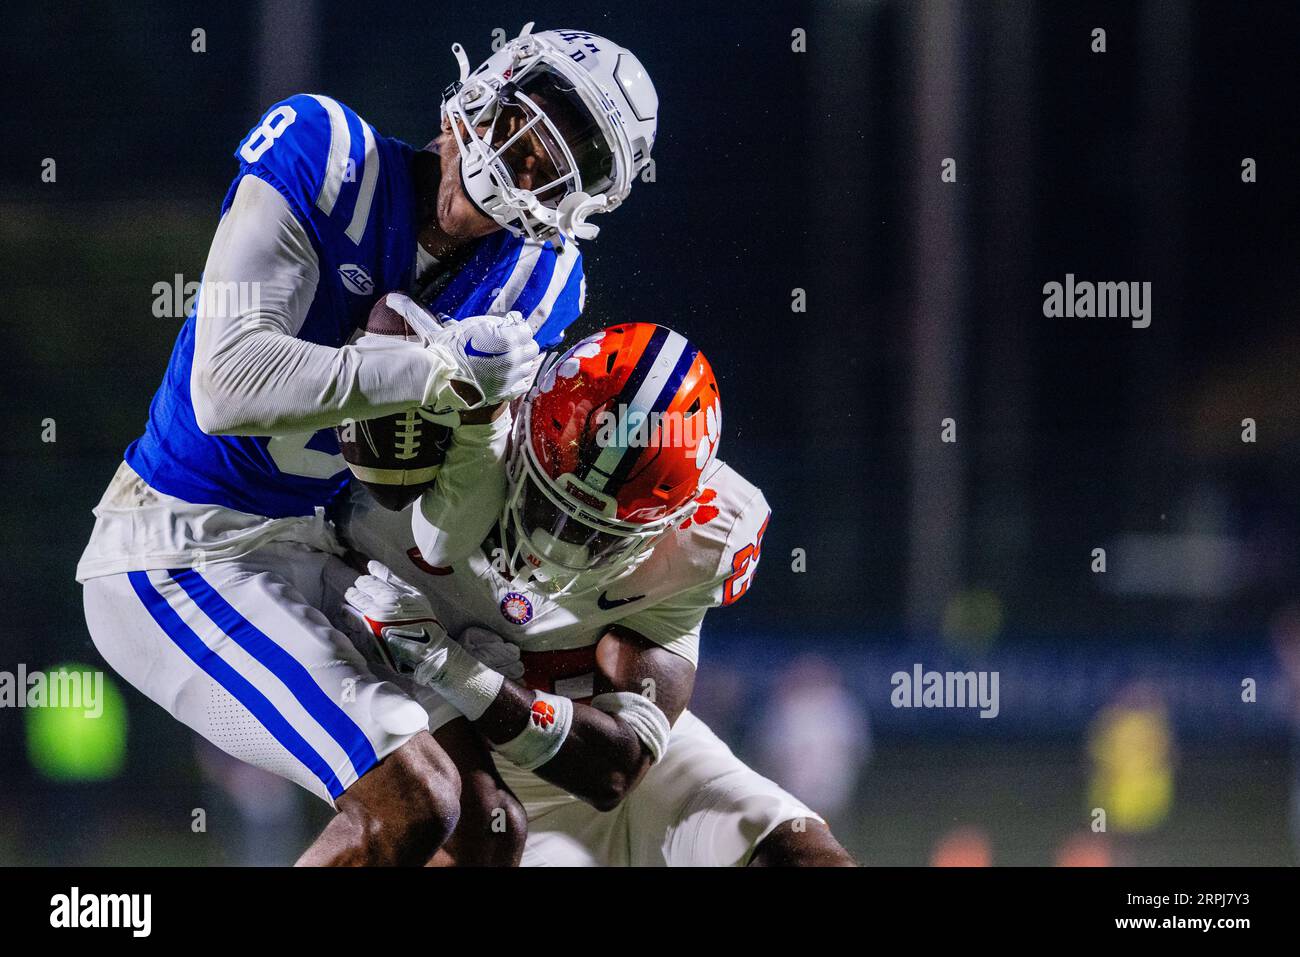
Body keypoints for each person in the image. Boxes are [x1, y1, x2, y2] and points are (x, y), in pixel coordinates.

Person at [76, 25, 658, 865]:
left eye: (563, 162)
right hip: (176, 549)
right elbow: (226, 386)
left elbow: (440, 533)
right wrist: (431, 370)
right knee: (415, 796)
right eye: (530, 128)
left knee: (493, 830)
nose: (527, 166)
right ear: (490, 88)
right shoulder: (326, 151)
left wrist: (481, 428)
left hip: (313, 547)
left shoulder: (537, 282)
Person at [340, 324, 856, 865]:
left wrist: (456, 669)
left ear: (677, 514)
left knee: (802, 852)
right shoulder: (438, 440)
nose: (558, 542)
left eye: (599, 533)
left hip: (616, 768)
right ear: (524, 426)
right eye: (548, 503)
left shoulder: (702, 541)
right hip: (474, 783)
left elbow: (616, 770)